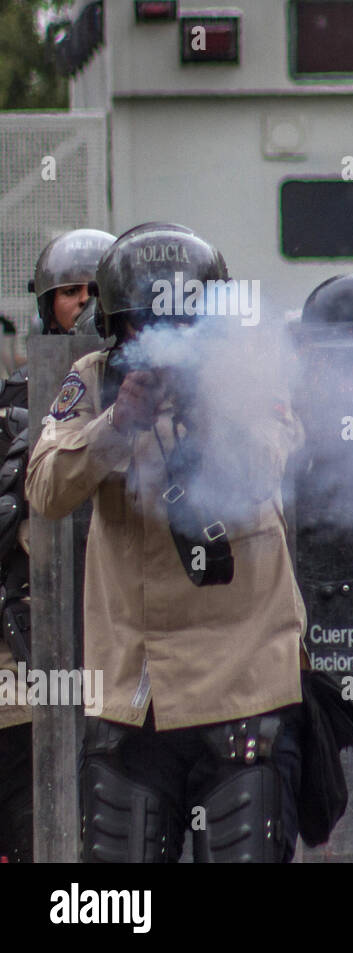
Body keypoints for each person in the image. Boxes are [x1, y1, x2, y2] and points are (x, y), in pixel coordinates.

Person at [26, 223, 308, 863]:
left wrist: (206, 409)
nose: (157, 345)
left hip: (243, 681)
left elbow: (267, 466)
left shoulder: (251, 372)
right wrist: (116, 424)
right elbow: (45, 490)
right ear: (116, 326)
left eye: (178, 328)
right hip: (136, 687)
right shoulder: (93, 379)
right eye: (139, 326)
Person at [0, 227, 115, 862]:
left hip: (127, 652)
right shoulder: (15, 406)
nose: (85, 304)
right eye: (70, 292)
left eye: (98, 291)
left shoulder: (165, 394)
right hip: (34, 662)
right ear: (47, 305)